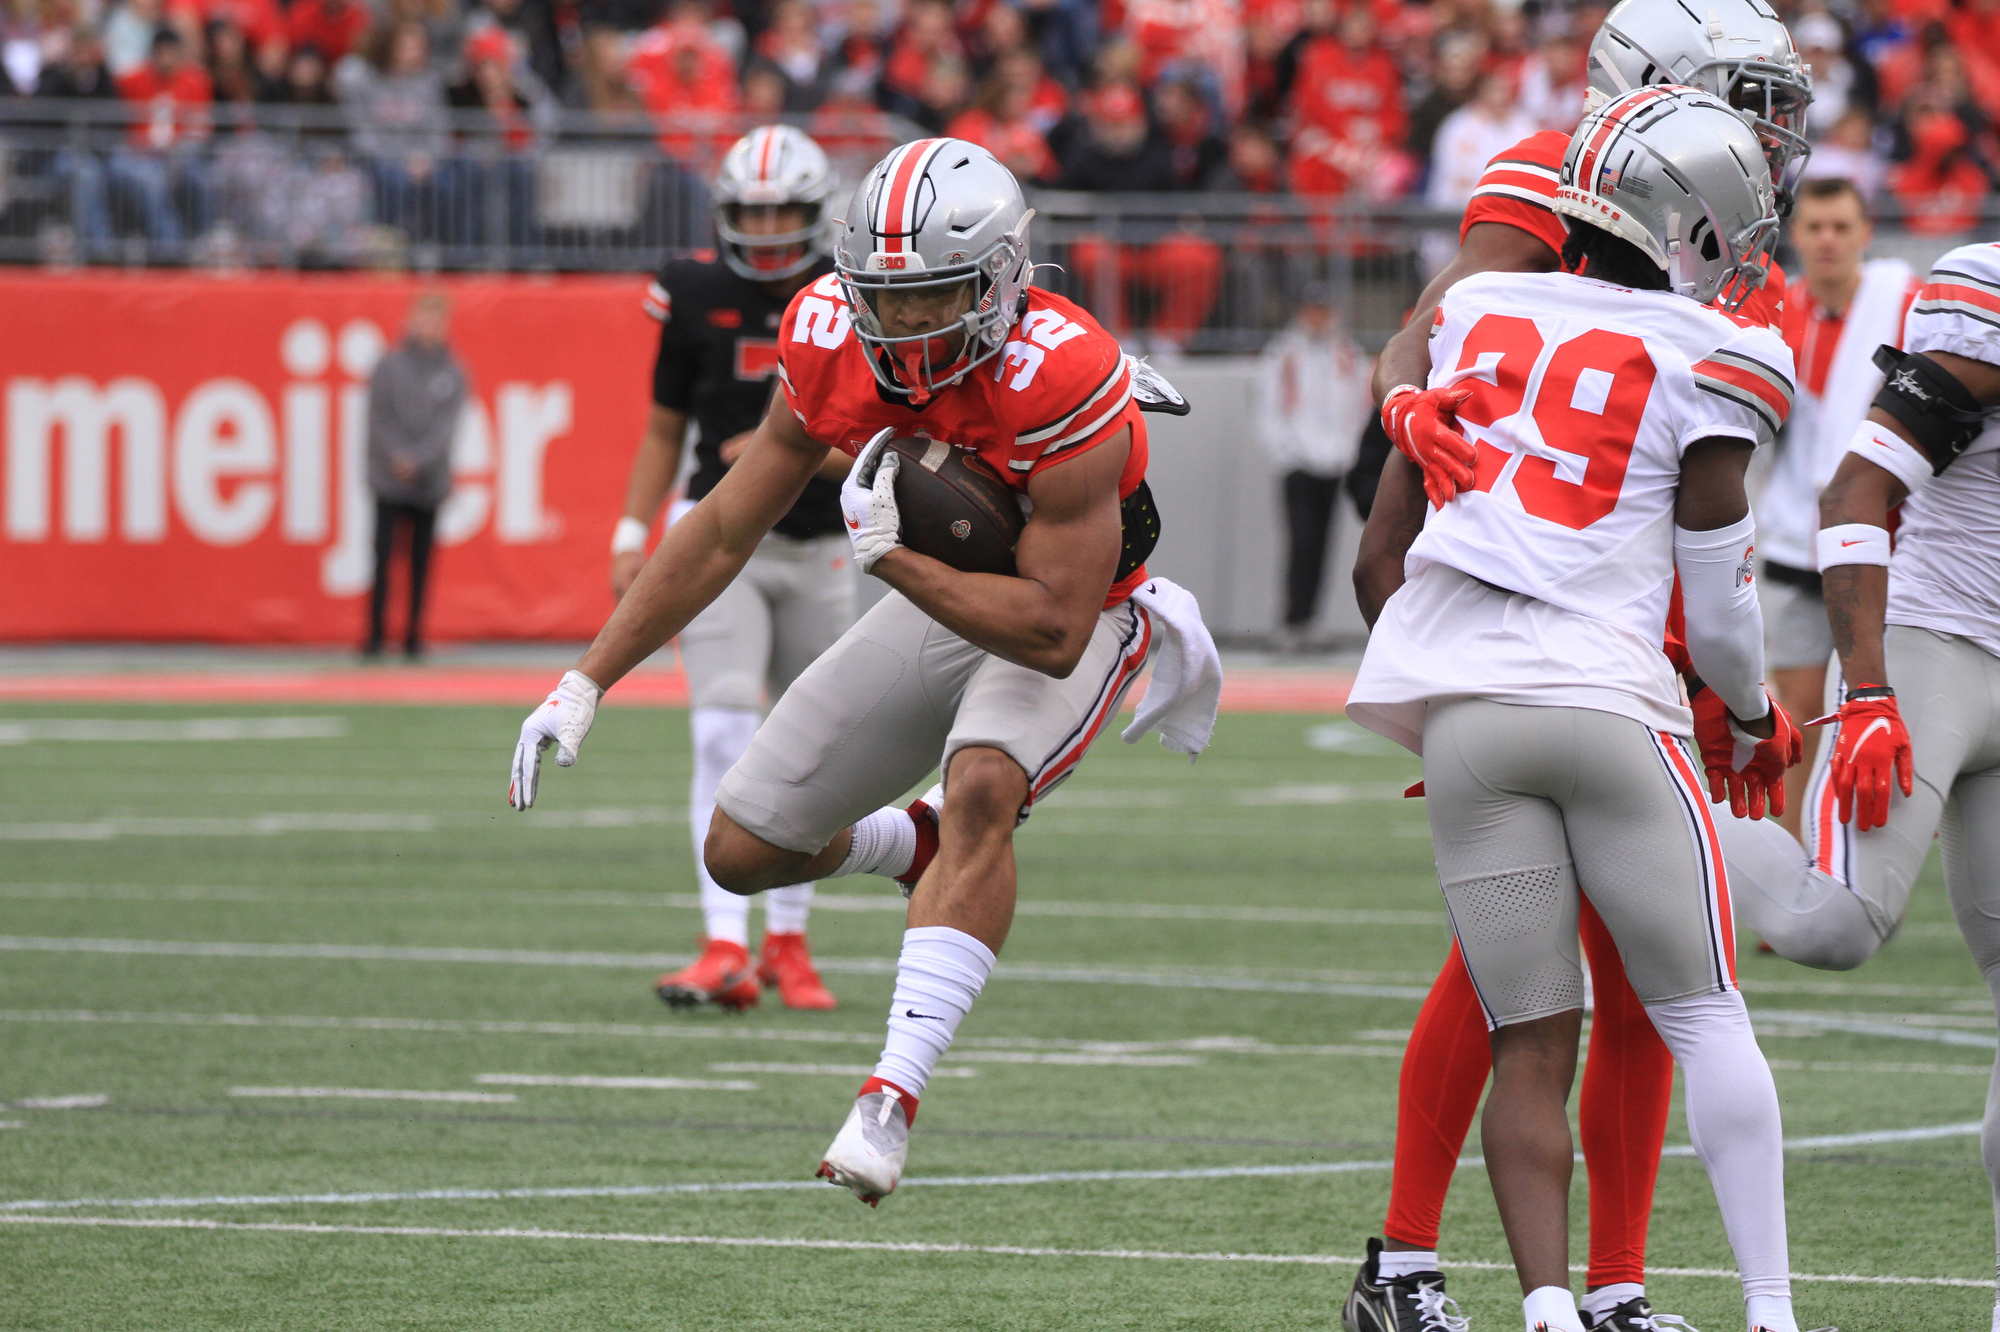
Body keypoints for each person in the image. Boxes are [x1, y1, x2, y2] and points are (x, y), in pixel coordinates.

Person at [510, 137, 1215, 1208]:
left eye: (931, 296)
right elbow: (723, 527)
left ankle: (890, 1096)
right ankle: (911, 845)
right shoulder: (827, 333)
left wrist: (891, 560)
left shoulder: (1064, 370)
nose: (903, 323)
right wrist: (586, 678)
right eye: (883, 298)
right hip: (942, 594)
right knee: (742, 850)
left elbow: (1052, 630)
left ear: (999, 278)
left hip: (1083, 610)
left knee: (984, 783)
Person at [1343, 3, 1816, 1329]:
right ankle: (1415, 1257)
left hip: (1523, 652)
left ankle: (1591, 1296)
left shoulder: (1546, 295)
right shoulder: (1614, 241)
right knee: (1653, 997)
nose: (1772, 136)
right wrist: (1746, 703)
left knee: (1562, 1014)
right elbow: (1418, 353)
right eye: (1746, 102)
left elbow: (1444, 354)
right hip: (1608, 652)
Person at [622, 127, 854, 1015]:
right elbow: (663, 427)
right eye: (749, 212)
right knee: (722, 728)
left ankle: (788, 941)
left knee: (818, 747)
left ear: (814, 212)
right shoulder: (693, 291)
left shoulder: (852, 295)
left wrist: (783, 454)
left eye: (780, 211)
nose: (763, 229)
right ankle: (724, 942)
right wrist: (627, 530)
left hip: (822, 543)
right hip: (722, 543)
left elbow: (882, 442)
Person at [1757, 178, 1919, 839]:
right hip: (1797, 541)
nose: (1827, 240)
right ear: (1795, 235)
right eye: (1815, 226)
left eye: (1841, 226)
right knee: (1796, 713)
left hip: (1889, 548)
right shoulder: (1778, 312)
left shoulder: (1903, 304)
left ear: (1865, 232)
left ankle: (1862, 858)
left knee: (1893, 706)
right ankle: (1793, 857)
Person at [1256, 281, 1370, 648]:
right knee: (1301, 542)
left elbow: (1358, 404)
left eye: (1323, 309)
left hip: (1334, 463)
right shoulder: (1283, 352)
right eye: (1312, 309)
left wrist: (1348, 452)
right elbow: (1268, 406)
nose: (1318, 317)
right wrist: (1285, 452)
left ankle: (1311, 622)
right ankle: (1292, 620)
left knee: (1323, 545)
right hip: (1298, 463)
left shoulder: (1346, 350)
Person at [364, 290, 465, 661]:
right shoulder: (388, 366)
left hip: (428, 482)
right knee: (382, 559)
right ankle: (374, 636)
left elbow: (446, 428)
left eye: (435, 319)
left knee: (421, 563)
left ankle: (413, 637)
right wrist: (398, 458)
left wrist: (419, 460)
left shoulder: (453, 371)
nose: (428, 326)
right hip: (388, 480)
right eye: (423, 317)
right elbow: (379, 419)